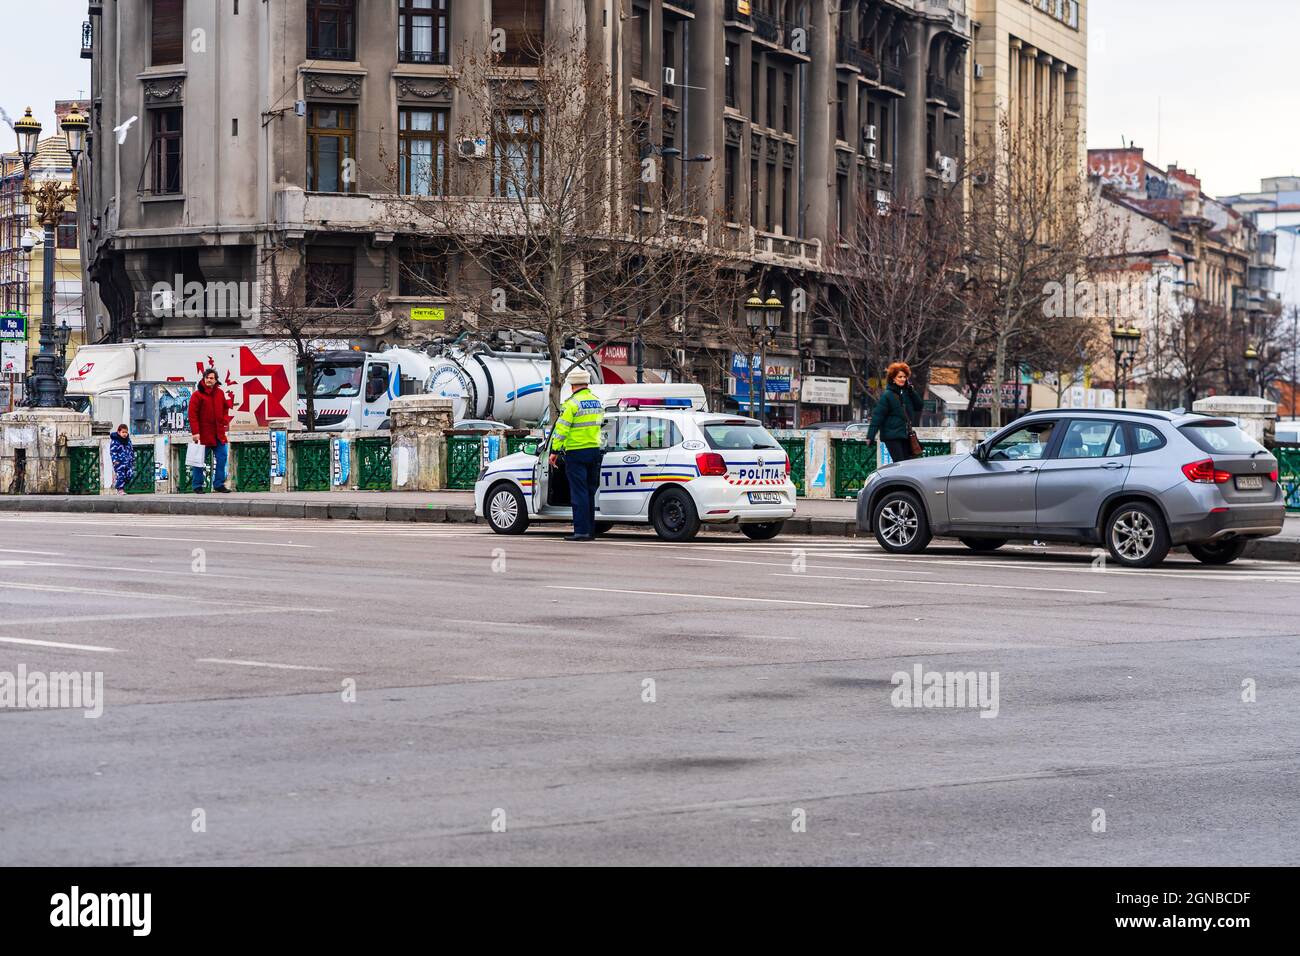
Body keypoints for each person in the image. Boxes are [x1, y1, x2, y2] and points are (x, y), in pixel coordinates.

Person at [548, 369, 604, 541]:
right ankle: (590, 531)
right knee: (589, 492)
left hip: (576, 452)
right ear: (586, 384)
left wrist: (554, 451)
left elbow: (561, 429)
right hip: (594, 451)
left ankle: (581, 531)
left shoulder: (572, 404)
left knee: (578, 493)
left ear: (573, 386)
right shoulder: (596, 402)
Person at [864, 361, 924, 463]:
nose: (902, 379)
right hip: (892, 436)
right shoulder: (887, 395)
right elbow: (877, 416)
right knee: (899, 463)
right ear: (893, 378)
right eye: (899, 377)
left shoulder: (907, 393)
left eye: (904, 377)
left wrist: (911, 391)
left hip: (905, 435)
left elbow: (919, 406)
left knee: (909, 464)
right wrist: (870, 436)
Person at [187, 367, 232, 493]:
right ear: (203, 379)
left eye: (211, 378)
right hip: (203, 434)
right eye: (207, 377)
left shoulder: (220, 393)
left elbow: (225, 408)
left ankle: (218, 484)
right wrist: (195, 432)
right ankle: (197, 486)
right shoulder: (197, 395)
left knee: (222, 457)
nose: (209, 380)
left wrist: (224, 420)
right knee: (199, 460)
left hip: (218, 433)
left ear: (216, 380)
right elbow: (192, 415)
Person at [108, 424, 135, 495]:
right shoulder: (115, 441)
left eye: (126, 432)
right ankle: (120, 489)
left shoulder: (128, 441)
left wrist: (132, 459)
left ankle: (118, 483)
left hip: (128, 462)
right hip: (119, 462)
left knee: (130, 474)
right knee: (121, 475)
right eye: (123, 432)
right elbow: (113, 451)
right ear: (119, 432)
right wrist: (115, 460)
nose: (124, 434)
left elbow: (131, 450)